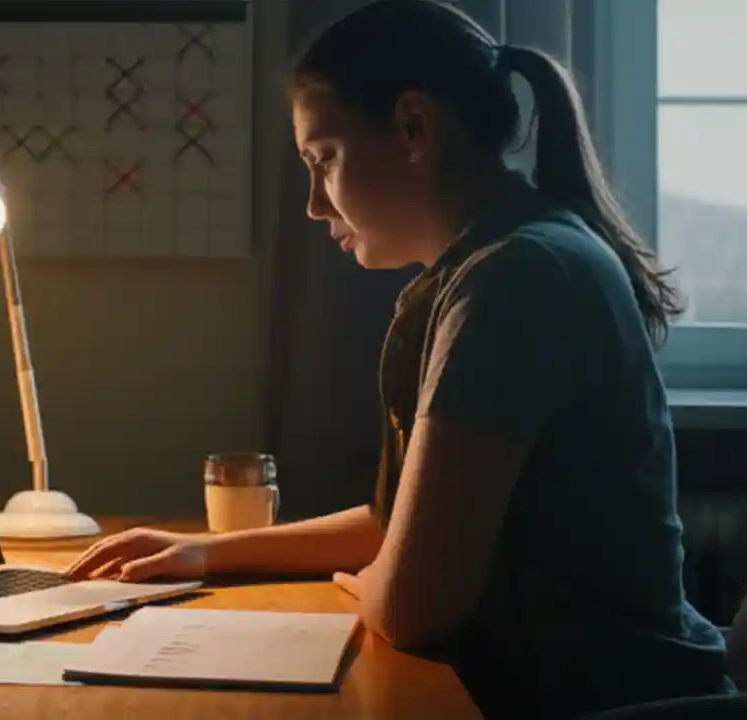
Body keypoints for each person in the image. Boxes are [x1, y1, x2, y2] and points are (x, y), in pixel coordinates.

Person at [64, 1, 738, 716]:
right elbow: (404, 524)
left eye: (323, 159)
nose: (314, 207)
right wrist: (204, 552)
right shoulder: (504, 259)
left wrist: (381, 581)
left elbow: (413, 607)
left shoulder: (517, 279)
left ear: (414, 127)